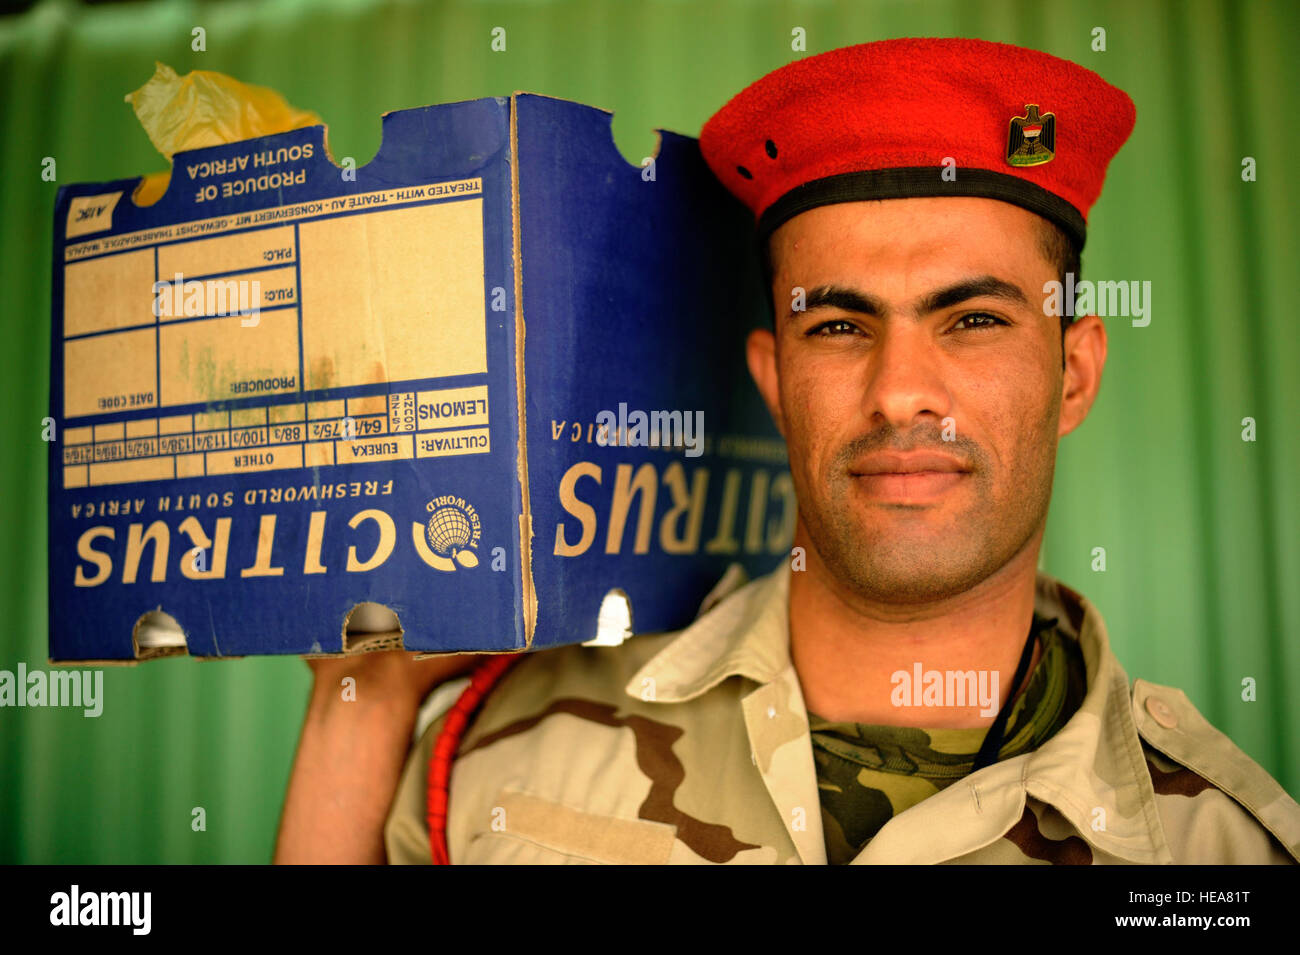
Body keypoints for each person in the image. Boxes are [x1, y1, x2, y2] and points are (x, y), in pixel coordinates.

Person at [275, 37, 1300, 865]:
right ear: (771, 376)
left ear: (1073, 374)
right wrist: (360, 697)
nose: (900, 390)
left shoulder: (1213, 848)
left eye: (973, 321)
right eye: (839, 326)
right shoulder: (507, 749)